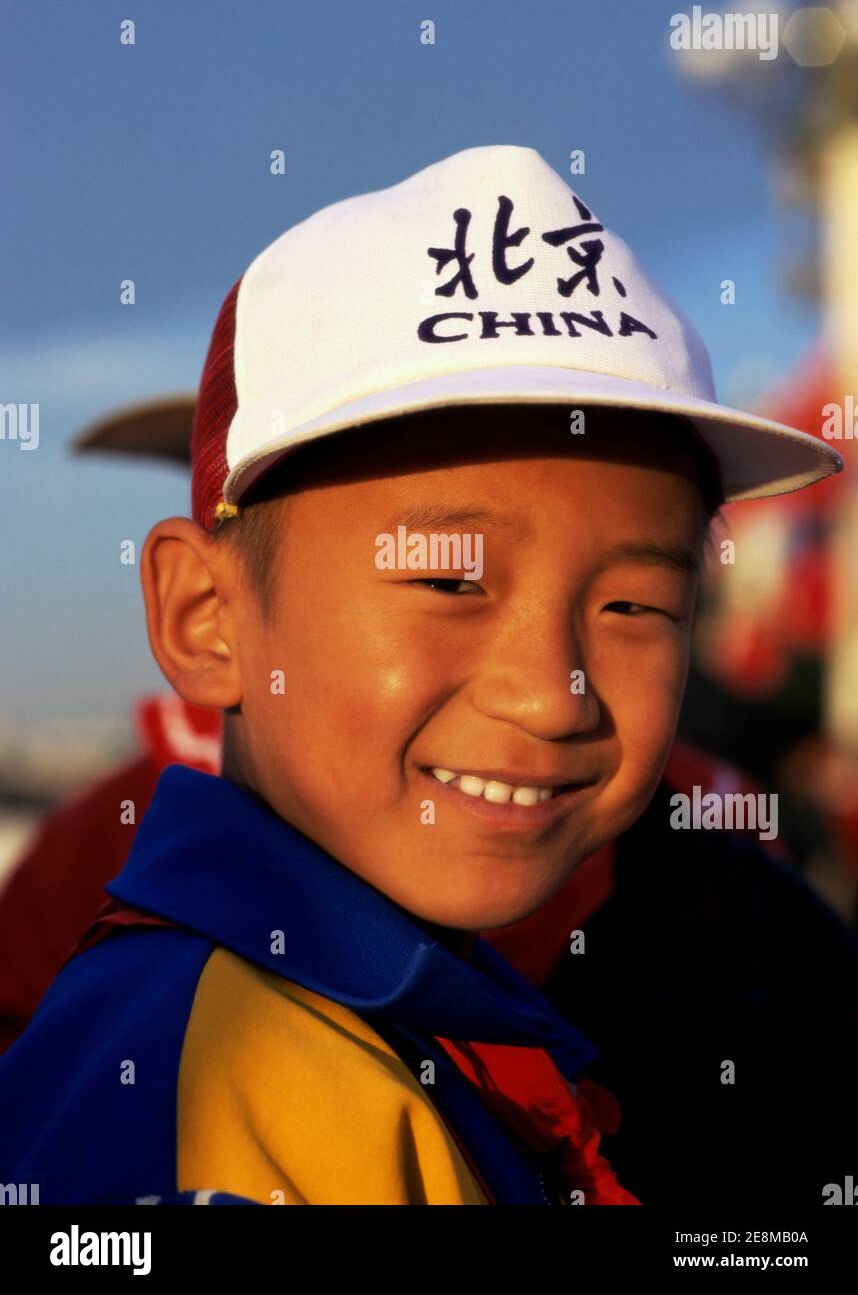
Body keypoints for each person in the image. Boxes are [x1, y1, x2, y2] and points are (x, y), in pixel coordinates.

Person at [0, 144, 845, 1205]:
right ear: (205, 615)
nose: (552, 692)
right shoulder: (208, 1097)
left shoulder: (447, 1022)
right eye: (450, 581)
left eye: (636, 605)